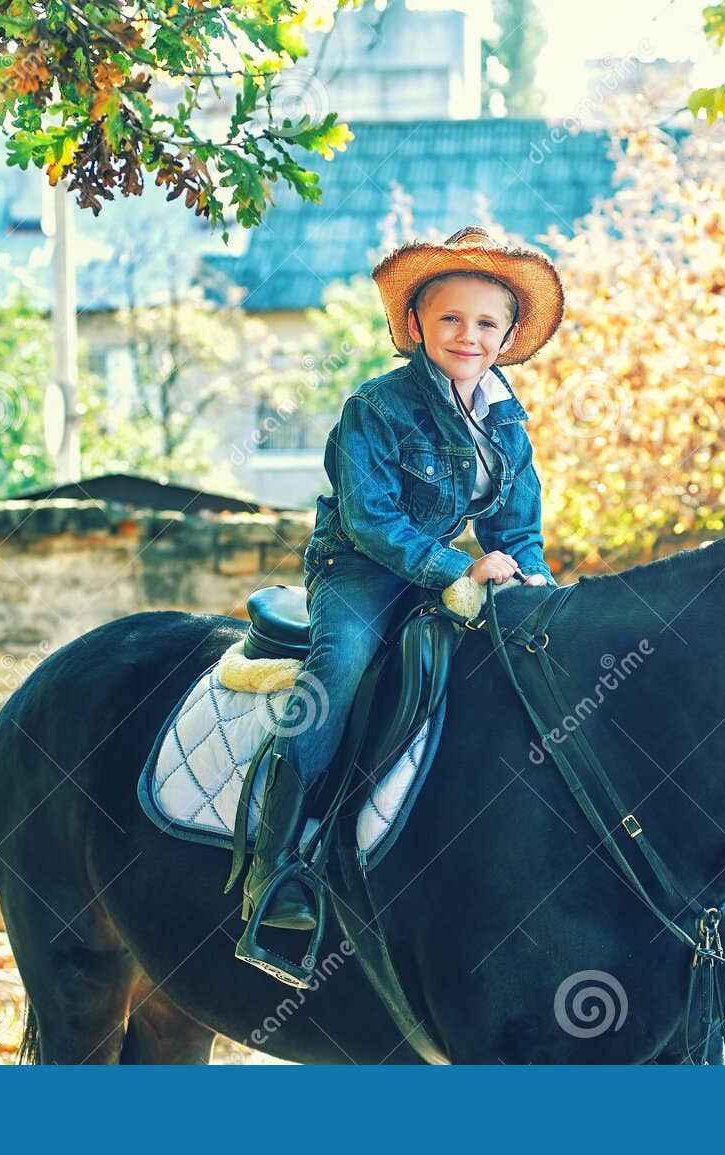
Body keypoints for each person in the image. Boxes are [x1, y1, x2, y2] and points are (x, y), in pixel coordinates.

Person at [235, 226, 565, 975]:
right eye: (451, 318)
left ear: (508, 335)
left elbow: (517, 528)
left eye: (486, 323)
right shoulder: (376, 407)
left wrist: (536, 583)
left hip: (443, 569)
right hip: (359, 567)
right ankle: (274, 867)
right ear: (416, 324)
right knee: (340, 669)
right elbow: (371, 520)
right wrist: (457, 569)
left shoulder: (506, 418)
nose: (468, 335)